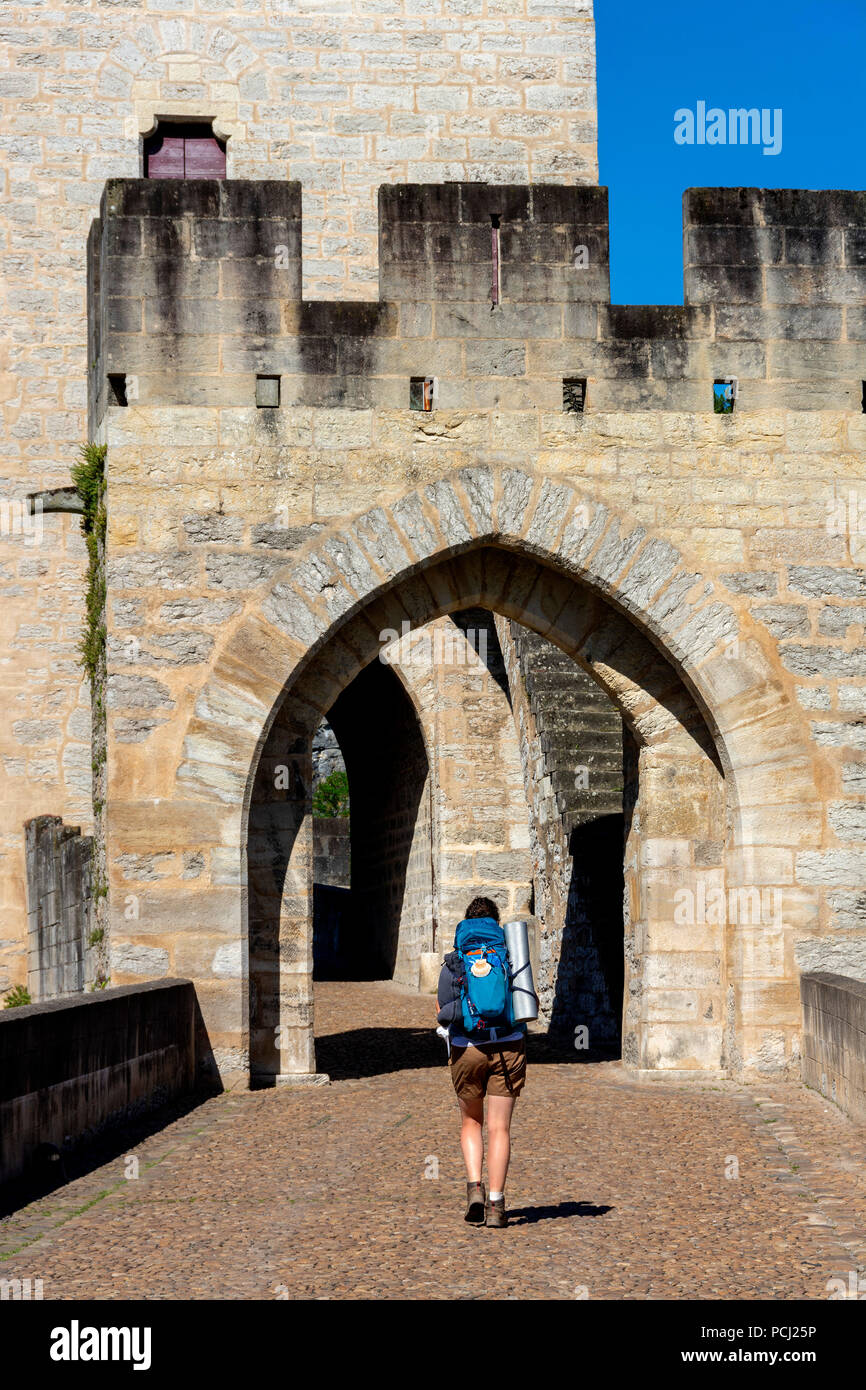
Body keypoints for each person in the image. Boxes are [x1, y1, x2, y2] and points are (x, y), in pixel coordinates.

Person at [436, 896, 527, 1229]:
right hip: (509, 1047)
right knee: (499, 1128)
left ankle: (475, 1189)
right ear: (496, 923)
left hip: (467, 1049)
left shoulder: (454, 963)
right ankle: (497, 1206)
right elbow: (525, 1003)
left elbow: (444, 1009)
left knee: (471, 1122)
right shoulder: (512, 955)